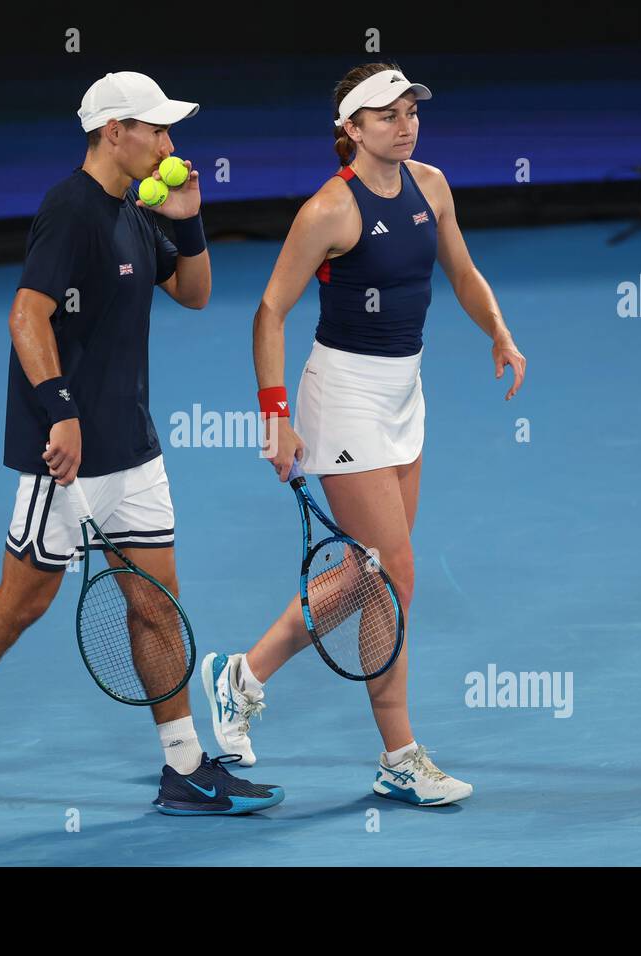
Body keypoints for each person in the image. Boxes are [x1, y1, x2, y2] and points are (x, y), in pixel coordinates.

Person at [0, 71, 284, 816]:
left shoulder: (134, 212)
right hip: (64, 457)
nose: (170, 144)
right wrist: (60, 412)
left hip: (134, 448)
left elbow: (193, 294)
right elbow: (25, 317)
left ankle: (185, 768)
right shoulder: (69, 211)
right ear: (113, 133)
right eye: (155, 130)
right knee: (20, 605)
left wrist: (190, 219)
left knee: (158, 606)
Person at [201, 62, 527, 807]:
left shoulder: (432, 186)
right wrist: (276, 418)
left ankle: (243, 674)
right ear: (350, 129)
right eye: (386, 114)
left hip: (405, 393)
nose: (404, 122)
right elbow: (269, 313)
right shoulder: (329, 210)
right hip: (343, 397)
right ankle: (399, 755)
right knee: (395, 570)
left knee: (364, 573)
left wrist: (498, 332)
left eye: (410, 108)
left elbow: (464, 271)